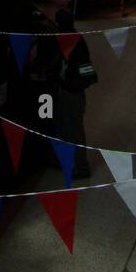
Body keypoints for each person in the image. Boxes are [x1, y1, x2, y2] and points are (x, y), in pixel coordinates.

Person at [52, 10, 96, 180]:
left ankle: (81, 166)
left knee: (74, 131)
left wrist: (72, 85)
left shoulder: (77, 44)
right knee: (62, 128)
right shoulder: (62, 39)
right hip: (64, 90)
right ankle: (65, 158)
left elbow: (88, 75)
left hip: (73, 94)